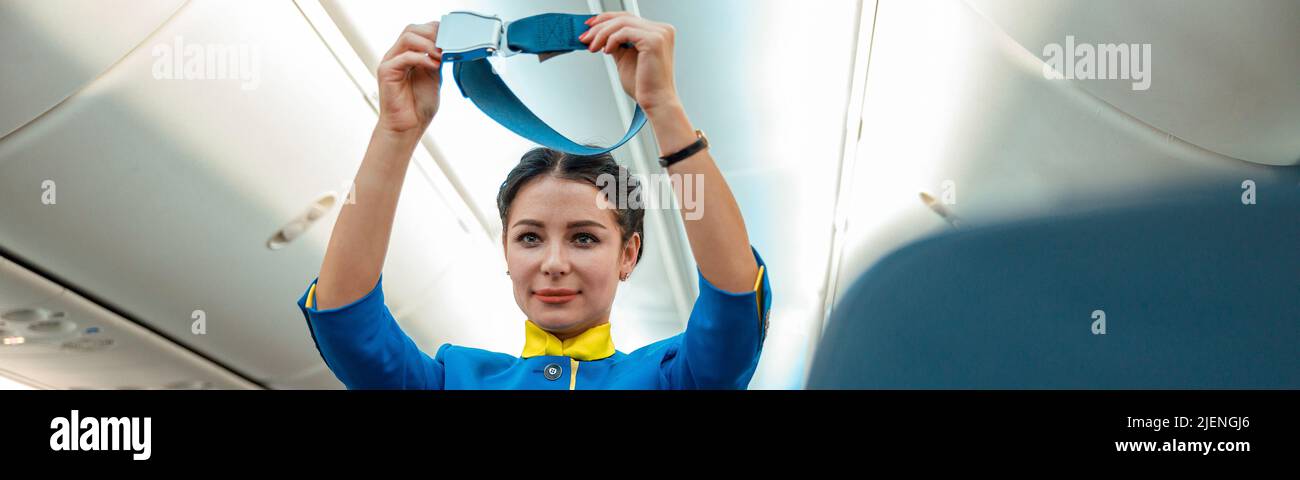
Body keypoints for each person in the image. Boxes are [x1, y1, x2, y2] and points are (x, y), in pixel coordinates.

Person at [296, 12, 771, 389]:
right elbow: (346, 317)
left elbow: (732, 296)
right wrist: (395, 133)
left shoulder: (671, 377)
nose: (553, 262)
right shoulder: (452, 380)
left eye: (584, 238)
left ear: (628, 253)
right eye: (529, 237)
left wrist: (664, 108)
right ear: (505, 249)